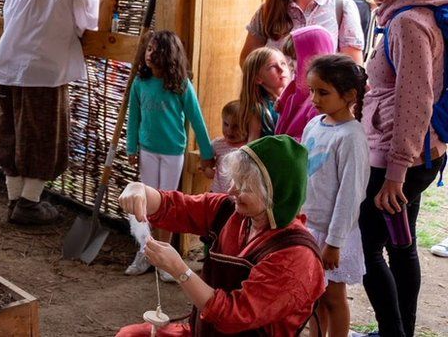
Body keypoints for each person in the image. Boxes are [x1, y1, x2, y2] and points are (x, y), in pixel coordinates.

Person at [116, 135, 325, 336]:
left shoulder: (295, 257)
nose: (232, 190)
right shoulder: (230, 212)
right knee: (131, 335)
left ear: (274, 196)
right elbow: (176, 206)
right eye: (235, 180)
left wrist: (180, 270)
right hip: (207, 331)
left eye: (245, 187)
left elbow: (232, 316)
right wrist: (140, 190)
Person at [359, 0, 448, 337]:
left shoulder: (408, 23)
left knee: (370, 248)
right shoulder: (420, 12)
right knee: (401, 244)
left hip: (402, 159)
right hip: (416, 153)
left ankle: (394, 332)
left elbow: (416, 101)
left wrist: (395, 174)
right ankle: (400, 332)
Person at [0, 0, 99, 225]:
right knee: (44, 134)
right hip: (43, 66)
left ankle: (15, 198)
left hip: (9, 61)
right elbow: (89, 19)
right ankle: (28, 203)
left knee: (12, 130)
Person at [124, 30, 213, 278]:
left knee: (167, 204)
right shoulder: (140, 83)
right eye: (149, 49)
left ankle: (164, 258)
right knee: (145, 203)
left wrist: (207, 153)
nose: (150, 54)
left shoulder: (182, 85)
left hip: (173, 152)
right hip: (148, 151)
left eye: (156, 50)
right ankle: (144, 252)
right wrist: (132, 147)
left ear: (170, 55)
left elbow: (197, 119)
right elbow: (134, 119)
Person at [300, 54, 369, 337]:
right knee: (313, 296)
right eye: (312, 91)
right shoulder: (314, 125)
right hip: (309, 226)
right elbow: (303, 175)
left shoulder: (351, 136)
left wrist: (334, 242)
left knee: (333, 297)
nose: (315, 98)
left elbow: (350, 195)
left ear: (349, 95)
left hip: (333, 234)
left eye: (323, 92)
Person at [274, 25, 336, 141]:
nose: (290, 64)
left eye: (295, 58)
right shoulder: (296, 92)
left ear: (314, 57)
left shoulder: (318, 104)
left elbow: (312, 144)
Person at [238, 47, 291, 141]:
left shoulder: (294, 100)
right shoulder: (258, 109)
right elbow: (252, 144)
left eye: (283, 63)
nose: (281, 69)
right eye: (272, 67)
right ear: (258, 78)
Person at [203, 100, 246, 194]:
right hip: (216, 194)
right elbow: (206, 159)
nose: (229, 131)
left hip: (235, 197)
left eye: (236, 126)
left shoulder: (248, 147)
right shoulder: (217, 144)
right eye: (226, 124)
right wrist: (207, 169)